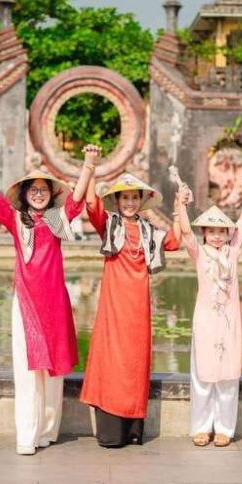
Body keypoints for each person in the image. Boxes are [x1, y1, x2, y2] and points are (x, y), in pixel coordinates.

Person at [0, 145, 99, 455]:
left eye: (43, 190)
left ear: (49, 194)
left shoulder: (56, 219)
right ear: (26, 194)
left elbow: (78, 200)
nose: (39, 194)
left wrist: (88, 165)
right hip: (26, 303)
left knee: (53, 370)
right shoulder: (16, 220)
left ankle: (47, 431)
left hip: (55, 302)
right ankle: (26, 435)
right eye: (34, 190)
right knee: (28, 370)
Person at [79, 173, 181, 447]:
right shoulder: (110, 224)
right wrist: (91, 167)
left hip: (138, 305)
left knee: (135, 360)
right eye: (125, 197)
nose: (130, 202)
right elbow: (91, 205)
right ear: (117, 200)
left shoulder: (148, 230)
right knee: (113, 359)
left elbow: (174, 241)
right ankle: (112, 431)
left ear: (141, 201)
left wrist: (181, 206)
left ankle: (134, 428)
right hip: (114, 304)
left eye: (134, 197)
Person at [174, 172, 242, 448]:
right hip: (206, 320)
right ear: (204, 233)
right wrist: (181, 204)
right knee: (203, 375)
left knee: (228, 376)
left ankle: (224, 428)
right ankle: (200, 426)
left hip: (230, 321)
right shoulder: (199, 253)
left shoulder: (233, 252)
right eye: (212, 231)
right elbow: (184, 231)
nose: (218, 236)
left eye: (222, 231)